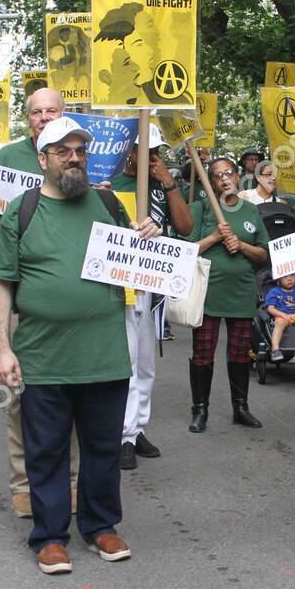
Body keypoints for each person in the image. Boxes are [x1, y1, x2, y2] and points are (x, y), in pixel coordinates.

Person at [0, 117, 160, 575]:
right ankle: (49, 535)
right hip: (43, 357)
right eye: (62, 151)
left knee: (103, 447)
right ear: (42, 159)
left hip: (104, 352)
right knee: (46, 449)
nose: (74, 158)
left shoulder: (106, 202)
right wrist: (3, 349)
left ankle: (101, 526)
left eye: (80, 150)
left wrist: (149, 243)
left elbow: (136, 266)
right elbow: (2, 283)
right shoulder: (21, 211)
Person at [0, 86, 65, 517]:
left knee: (74, 395)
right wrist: (21, 231)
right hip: (18, 300)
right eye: (36, 112)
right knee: (20, 398)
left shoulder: (84, 156)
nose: (44, 117)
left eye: (52, 110)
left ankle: (71, 484)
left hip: (75, 305)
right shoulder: (9, 159)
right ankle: (24, 487)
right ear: (26, 118)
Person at [109, 129, 192, 468]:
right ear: (128, 151)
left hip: (153, 282)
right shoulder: (110, 181)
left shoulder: (160, 184)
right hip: (120, 283)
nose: (150, 156)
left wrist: (168, 183)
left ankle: (138, 427)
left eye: (155, 150)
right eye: (144, 150)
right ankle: (123, 434)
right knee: (125, 360)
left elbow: (185, 227)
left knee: (145, 363)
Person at [187, 155, 270, 433]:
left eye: (229, 173)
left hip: (242, 293)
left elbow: (263, 253)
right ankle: (200, 410)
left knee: (239, 355)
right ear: (210, 183)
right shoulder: (201, 209)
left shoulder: (251, 211)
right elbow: (187, 251)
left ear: (237, 177)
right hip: (208, 295)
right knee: (203, 354)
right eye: (217, 175)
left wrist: (241, 245)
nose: (224, 179)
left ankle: (241, 408)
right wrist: (214, 238)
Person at [262, 273, 295, 359]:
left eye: (292, 276)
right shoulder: (274, 292)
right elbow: (270, 308)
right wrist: (284, 315)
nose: (290, 279)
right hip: (282, 316)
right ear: (278, 280)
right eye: (285, 277)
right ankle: (275, 349)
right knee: (279, 322)